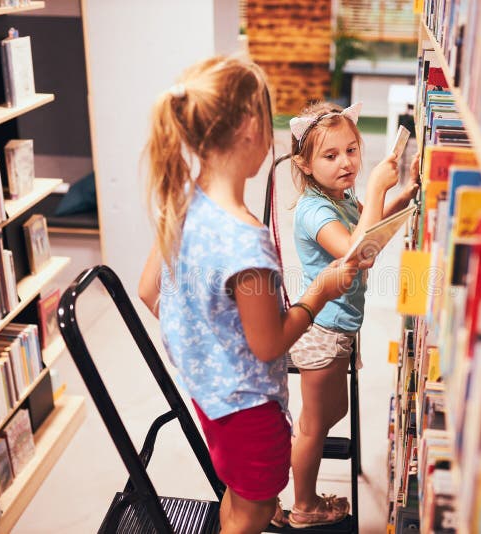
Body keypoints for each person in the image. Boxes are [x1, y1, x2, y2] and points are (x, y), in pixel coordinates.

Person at [137, 56, 367, 534]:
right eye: (270, 118)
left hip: (209, 395)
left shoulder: (182, 200)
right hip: (248, 407)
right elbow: (270, 344)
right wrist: (321, 290)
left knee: (237, 496)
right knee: (255, 510)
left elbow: (147, 291)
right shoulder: (247, 240)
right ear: (249, 127)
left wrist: (207, 344)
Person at [287, 101, 419, 527]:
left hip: (341, 330)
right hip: (320, 329)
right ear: (304, 164)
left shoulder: (342, 197)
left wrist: (405, 193)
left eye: (351, 151)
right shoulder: (315, 210)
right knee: (312, 426)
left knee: (332, 414)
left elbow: (371, 229)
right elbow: (357, 253)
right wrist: (379, 188)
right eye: (330, 156)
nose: (345, 163)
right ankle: (303, 507)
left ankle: (301, 462)